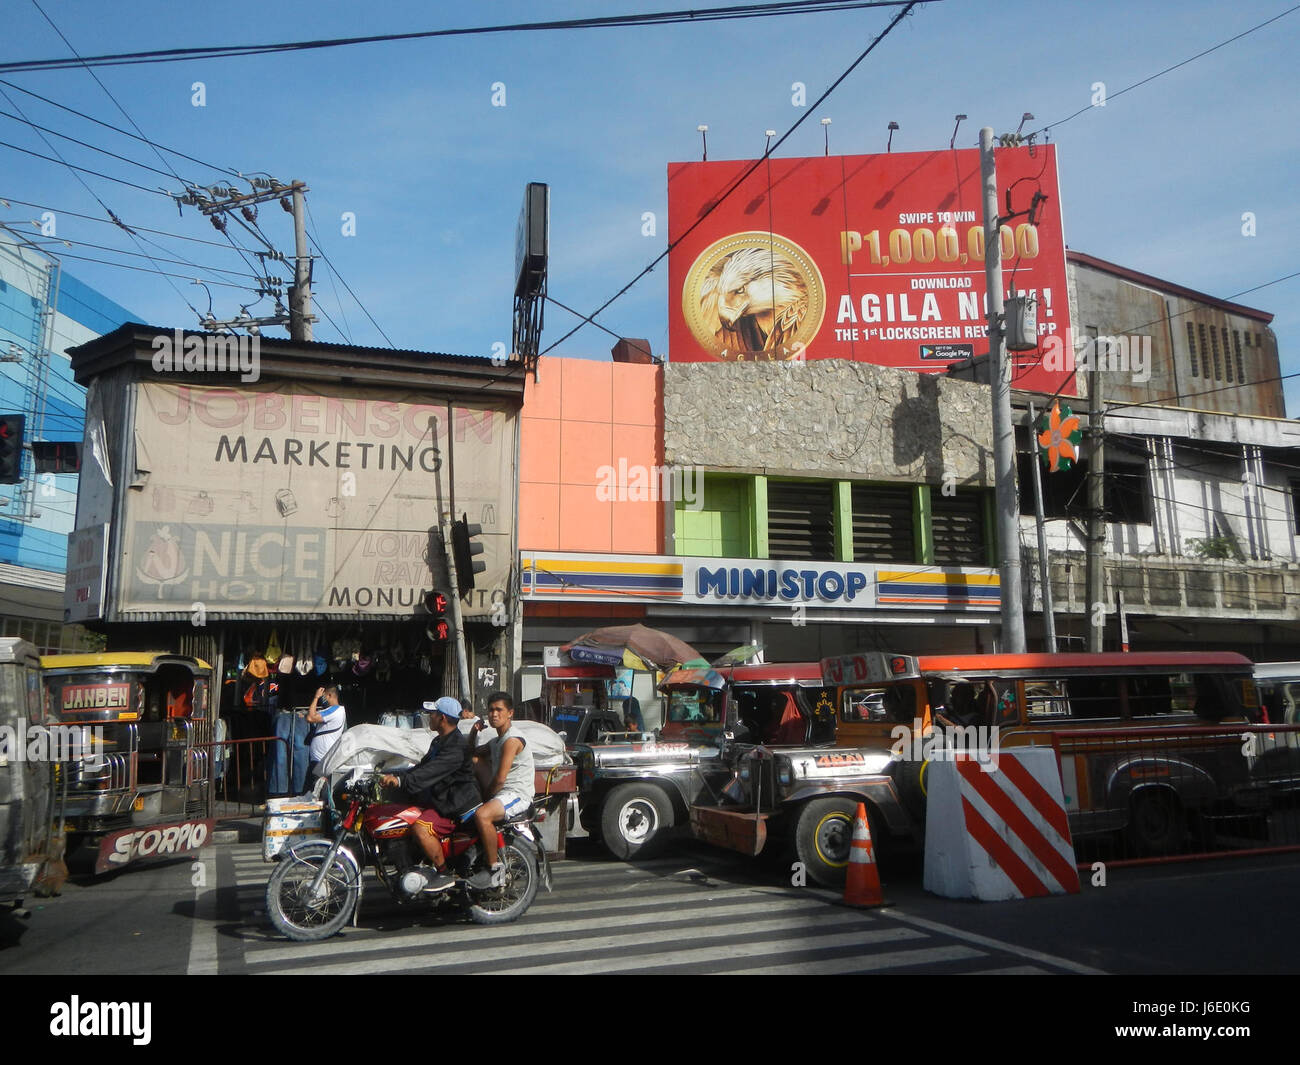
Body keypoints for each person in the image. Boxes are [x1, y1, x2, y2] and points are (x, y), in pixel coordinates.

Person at [380, 697, 479, 892]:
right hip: (440, 798)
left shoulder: (456, 747)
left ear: (441, 718)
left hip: (454, 803)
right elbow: (421, 768)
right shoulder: (439, 741)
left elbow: (430, 772)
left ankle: (443, 873)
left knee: (420, 829)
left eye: (431, 714)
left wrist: (401, 781)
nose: (429, 717)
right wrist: (397, 777)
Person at [468, 691, 534, 890]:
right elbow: (471, 753)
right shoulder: (496, 741)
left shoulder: (512, 740)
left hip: (517, 794)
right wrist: (474, 731)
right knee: (475, 760)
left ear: (510, 713)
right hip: (503, 794)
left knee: (482, 815)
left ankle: (493, 869)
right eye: (491, 710)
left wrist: (486, 799)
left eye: (499, 710)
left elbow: (500, 779)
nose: (494, 714)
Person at [306, 685, 347, 778]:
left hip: (322, 760)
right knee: (310, 790)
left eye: (323, 696)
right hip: (318, 759)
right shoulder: (332, 711)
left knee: (314, 790)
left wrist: (316, 697)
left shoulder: (335, 710)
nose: (322, 699)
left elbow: (310, 717)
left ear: (329, 695)